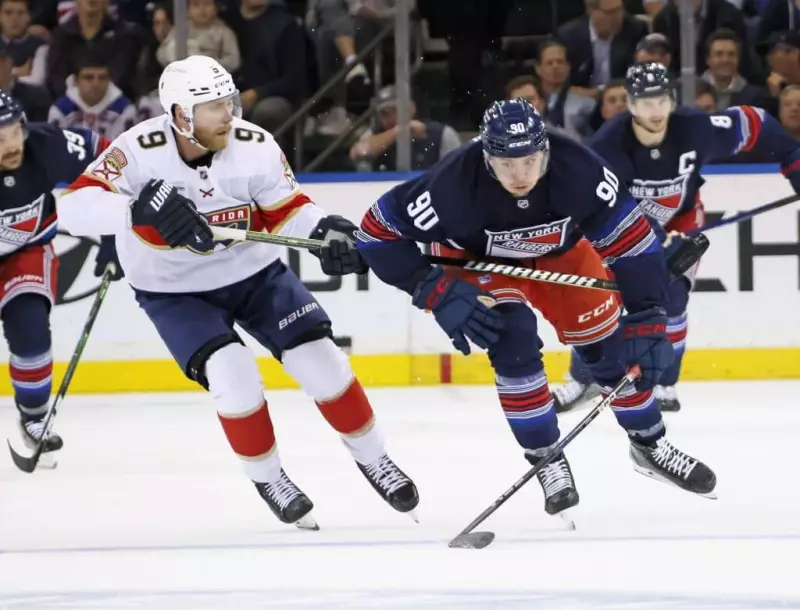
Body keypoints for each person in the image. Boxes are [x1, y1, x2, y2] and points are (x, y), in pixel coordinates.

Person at [56, 55, 419, 529]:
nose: (228, 113)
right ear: (181, 115)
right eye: (213, 107)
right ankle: (268, 476)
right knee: (232, 372)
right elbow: (73, 207)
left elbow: (288, 208)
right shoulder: (139, 150)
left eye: (228, 101)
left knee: (322, 361)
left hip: (254, 275)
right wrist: (134, 208)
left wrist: (323, 231)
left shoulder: (254, 146)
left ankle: (374, 458)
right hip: (173, 290)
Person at [355, 97, 717, 522]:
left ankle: (649, 444)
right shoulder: (452, 185)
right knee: (513, 339)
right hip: (475, 261)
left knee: (610, 350)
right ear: (487, 156)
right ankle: (547, 458)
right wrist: (432, 290)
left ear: (545, 149)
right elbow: (375, 232)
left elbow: (631, 242)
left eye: (529, 161)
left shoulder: (579, 169)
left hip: (562, 254)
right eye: (507, 164)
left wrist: (648, 314)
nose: (520, 175)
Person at [554, 62, 800, 412]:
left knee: (672, 298)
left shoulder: (695, 127)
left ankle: (665, 384)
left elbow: (754, 121)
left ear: (671, 100)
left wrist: (793, 158)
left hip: (680, 220)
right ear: (631, 105)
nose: (655, 112)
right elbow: (598, 210)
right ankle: (583, 377)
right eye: (645, 103)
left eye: (661, 101)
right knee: (598, 302)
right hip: (622, 230)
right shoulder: (607, 147)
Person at [0, 89, 107, 466]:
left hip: (26, 250)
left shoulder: (47, 146)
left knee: (30, 331)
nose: (11, 144)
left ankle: (33, 418)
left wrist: (113, 228)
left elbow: (114, 160)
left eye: (14, 132)